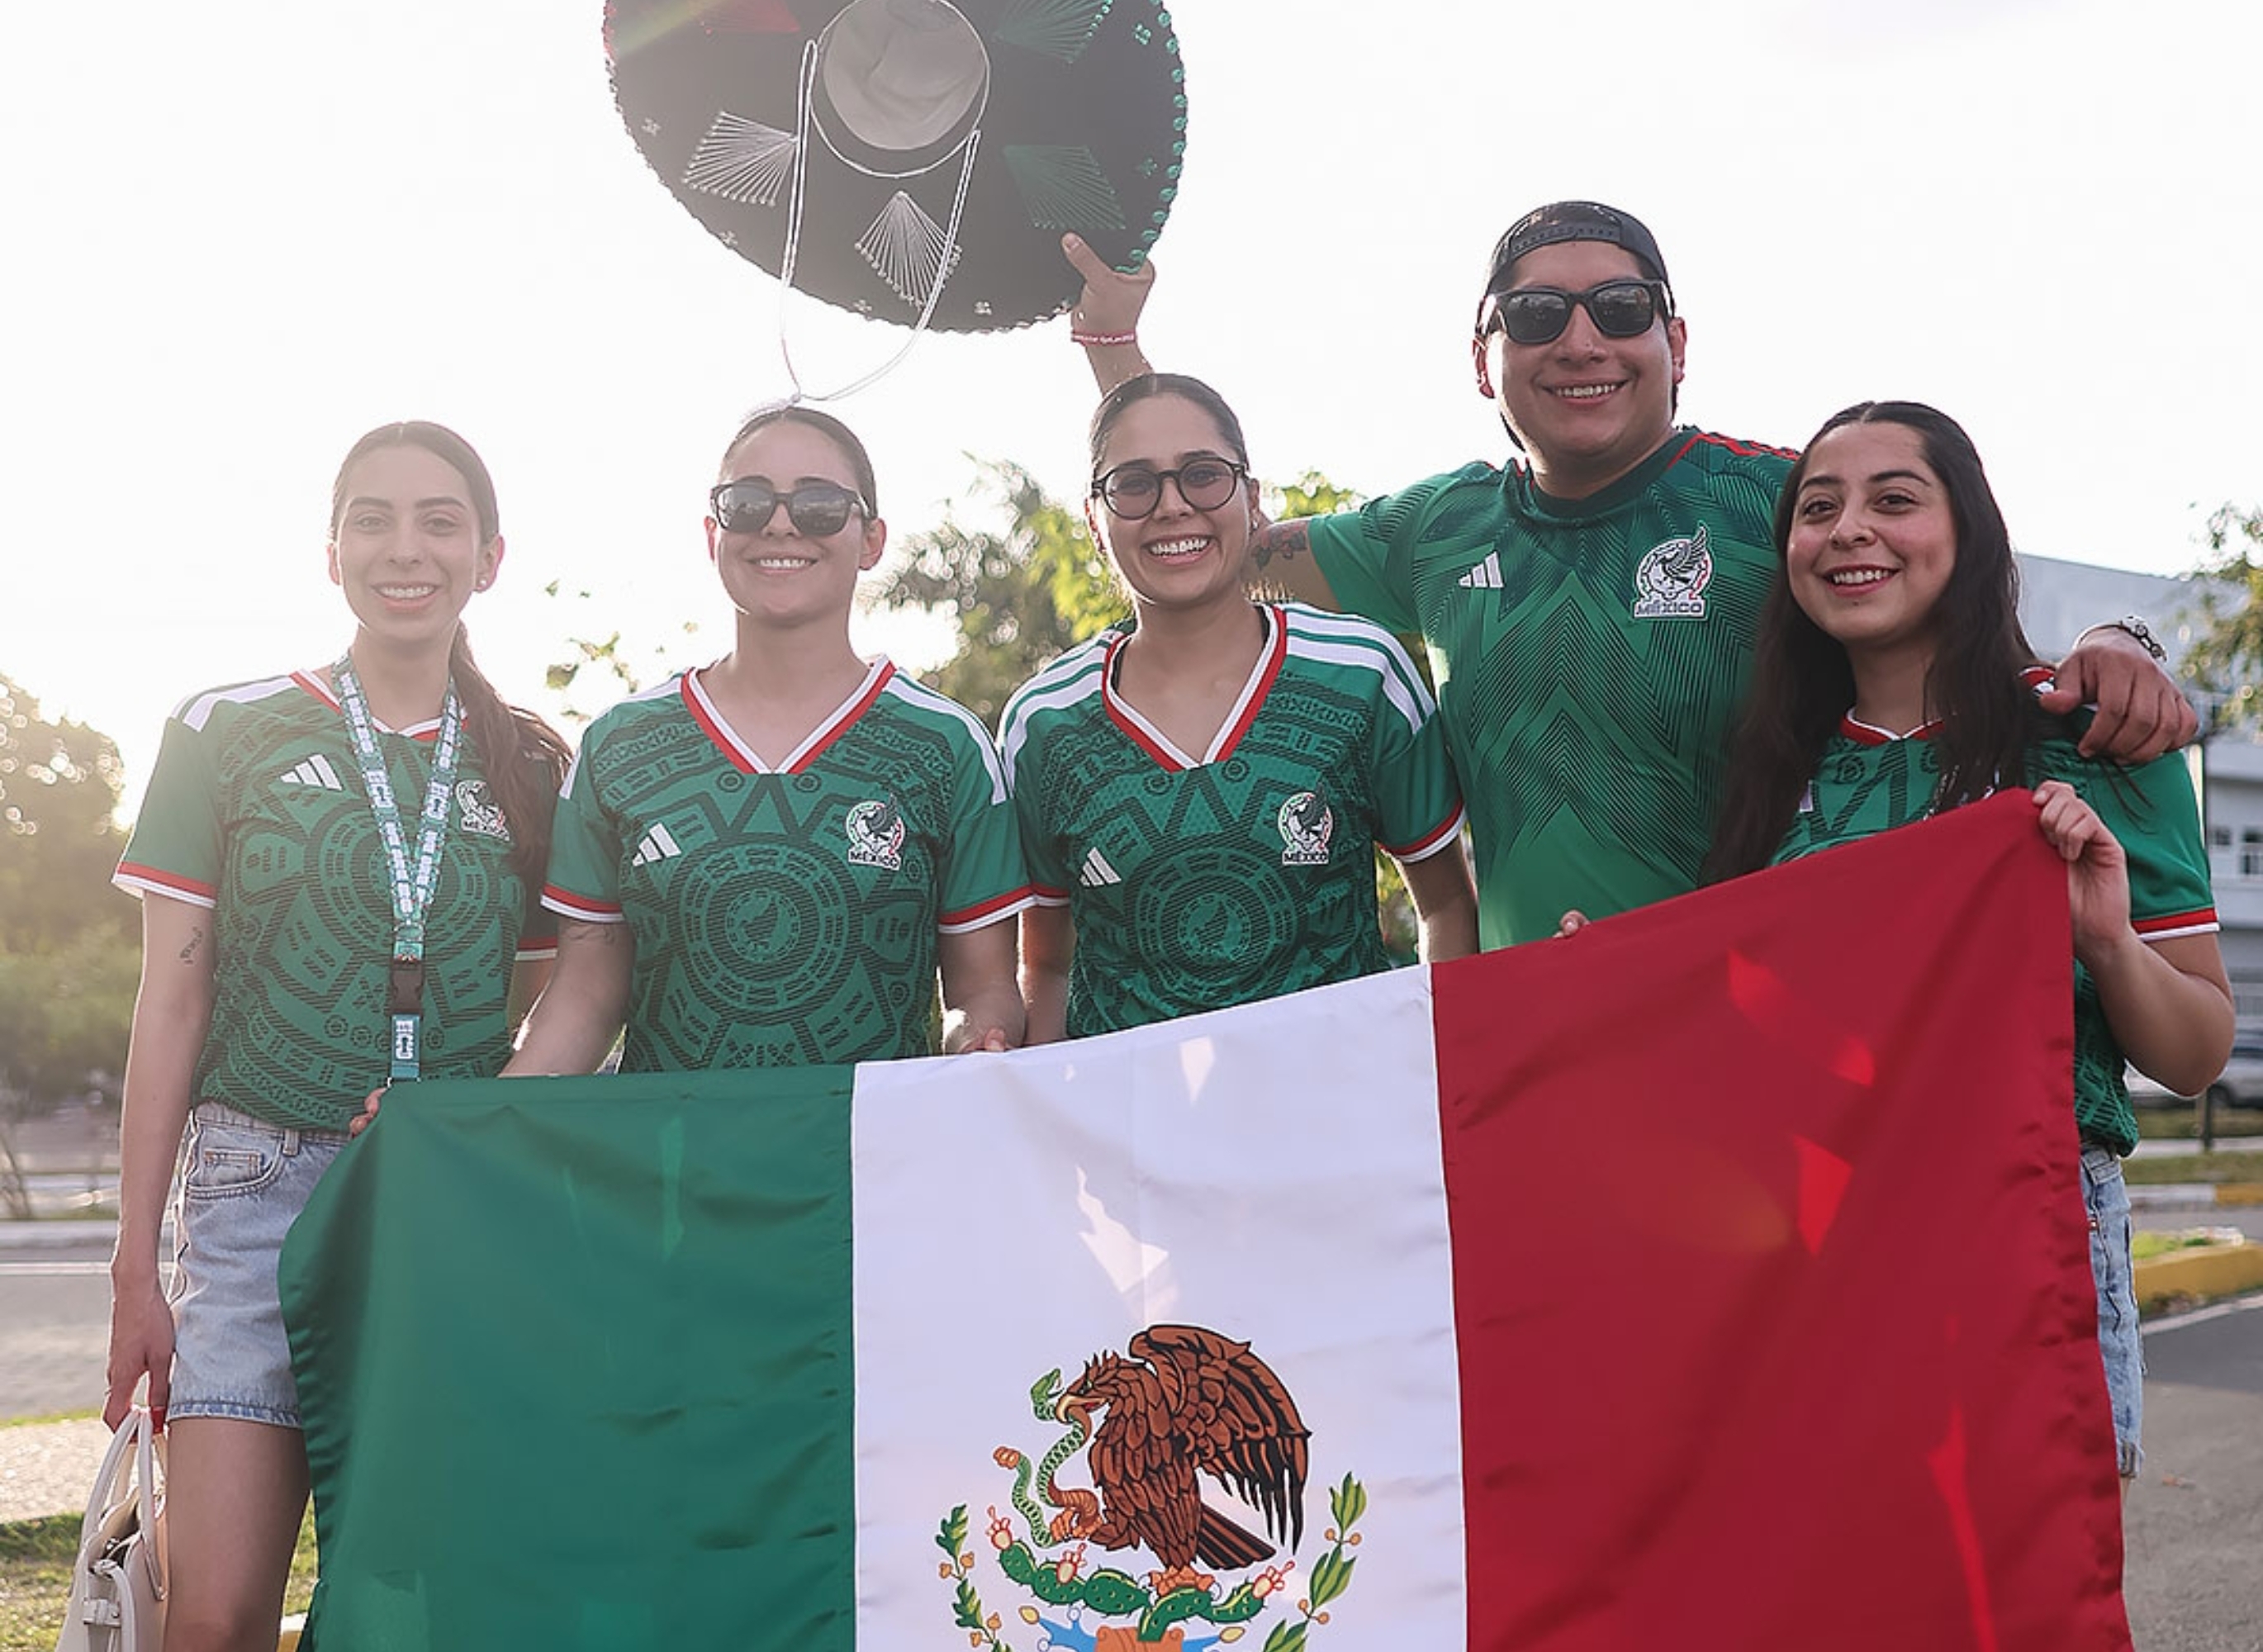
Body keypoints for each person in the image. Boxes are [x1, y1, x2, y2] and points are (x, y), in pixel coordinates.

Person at [1061, 204, 2196, 949]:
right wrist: (1116, 350)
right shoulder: (1439, 526)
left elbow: (1936, 554)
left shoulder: (1782, 499)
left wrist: (2122, 644)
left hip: (1752, 1041)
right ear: (1483, 358)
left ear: (1677, 343)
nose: (1581, 340)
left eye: (1621, 309)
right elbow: (1205, 523)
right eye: (1537, 314)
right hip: (1519, 1041)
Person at [1706, 399, 2232, 1489]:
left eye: (1894, 499)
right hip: (1817, 1245)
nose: (1850, 529)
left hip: (2028, 1224)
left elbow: (2193, 1052)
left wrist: (2109, 943)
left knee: (2023, 1584)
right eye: (1819, 508)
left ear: (1972, 534)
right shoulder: (1765, 777)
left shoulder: (2097, 740)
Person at [106, 420, 570, 1651]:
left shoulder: (532, 766)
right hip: (255, 1187)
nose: (403, 548)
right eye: (372, 518)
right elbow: (173, 1003)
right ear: (330, 551)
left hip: (441, 1213)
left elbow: (542, 1009)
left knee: (420, 1615)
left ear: (490, 556)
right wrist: (134, 1270)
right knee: (217, 1619)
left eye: (438, 520)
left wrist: (460, 1120)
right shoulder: (225, 727)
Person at [507, 404, 1030, 1073]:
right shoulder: (620, 744)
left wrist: (980, 1042)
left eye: (818, 504)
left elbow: (981, 987)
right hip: (665, 1165)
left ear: (871, 539)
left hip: (868, 1162)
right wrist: (473, 1123)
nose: (780, 522)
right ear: (712, 533)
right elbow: (583, 993)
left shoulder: (943, 744)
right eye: (748, 502)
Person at [1001, 373, 1477, 1040]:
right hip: (1131, 1134)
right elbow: (1046, 966)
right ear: (1095, 518)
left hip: (1344, 1121)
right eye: (1134, 484)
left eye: (1203, 475)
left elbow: (1447, 908)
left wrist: (1433, 1071)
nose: (1172, 506)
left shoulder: (1361, 674)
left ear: (1253, 500)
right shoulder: (1045, 723)